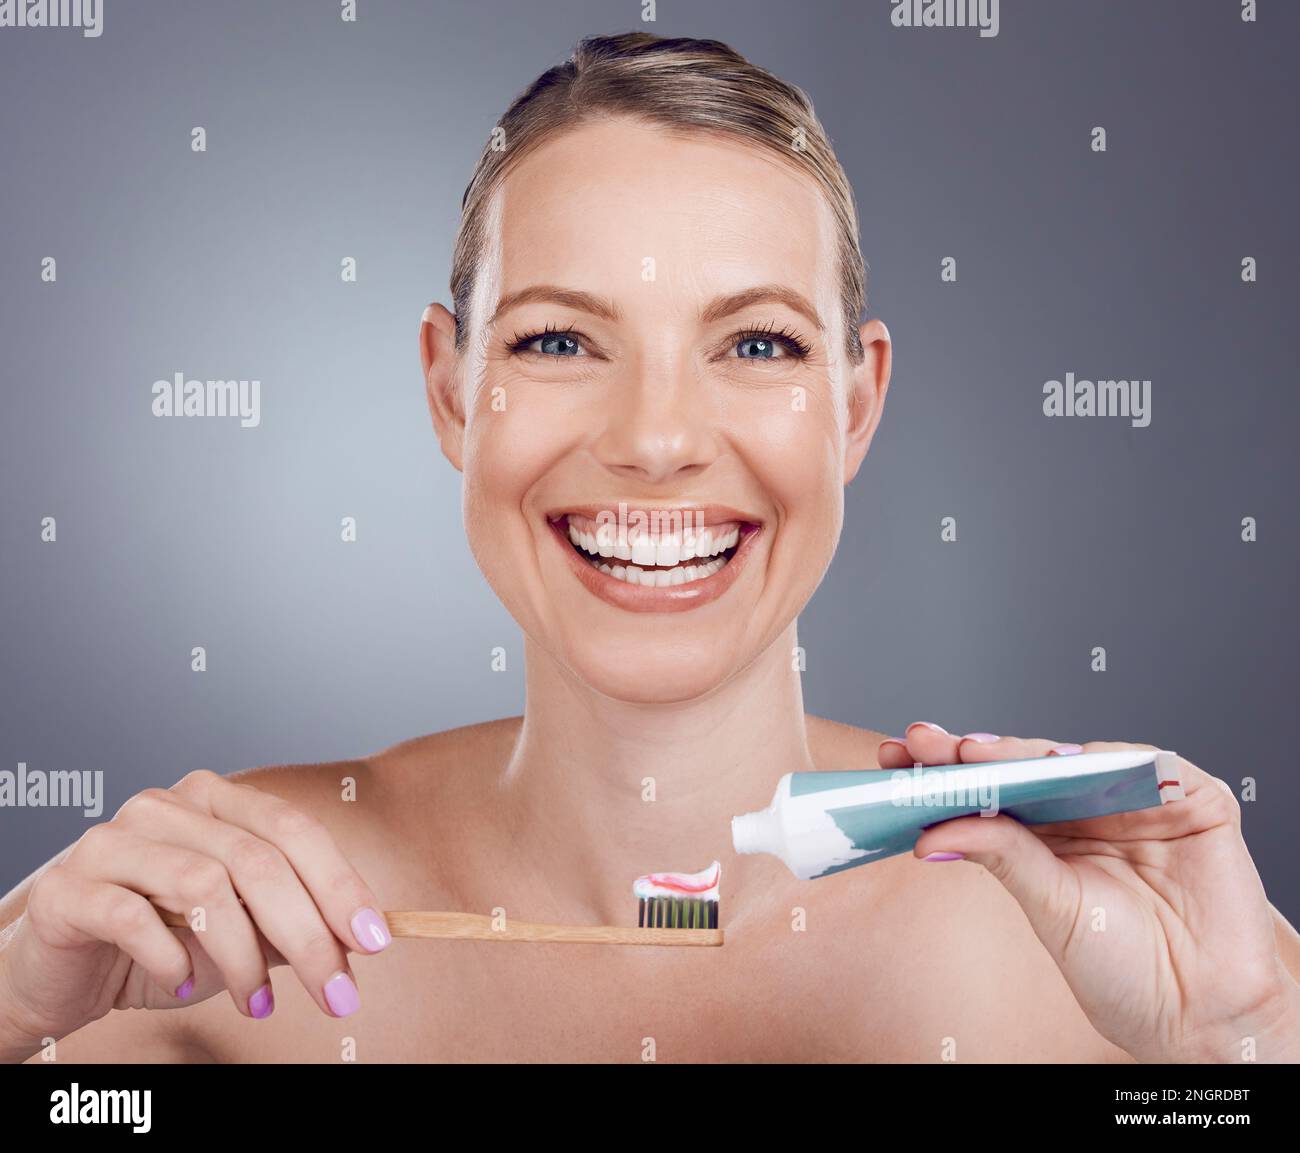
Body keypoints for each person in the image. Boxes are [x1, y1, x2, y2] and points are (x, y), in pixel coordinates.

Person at [3, 32, 1298, 1063]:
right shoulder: (220, 930)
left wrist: (1245, 1048)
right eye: (559, 341)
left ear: (856, 404)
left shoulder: (1087, 952)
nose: (657, 438)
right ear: (452, 390)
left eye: (757, 343)